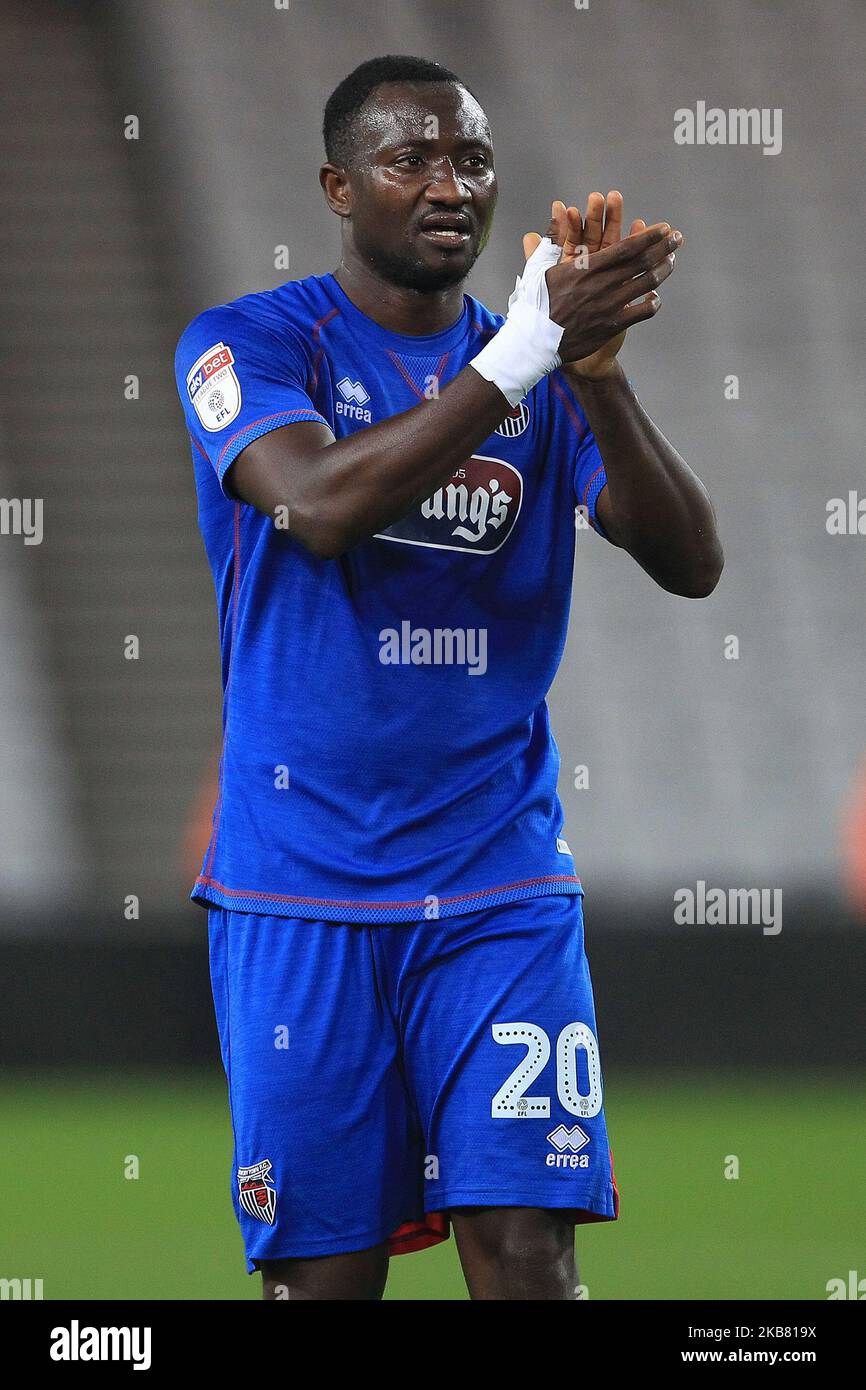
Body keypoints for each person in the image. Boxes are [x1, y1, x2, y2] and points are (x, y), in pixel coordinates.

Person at [174, 53, 723, 1301]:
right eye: (407, 157)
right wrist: (524, 357)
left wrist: (593, 374)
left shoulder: (533, 369)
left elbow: (690, 560)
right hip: (295, 888)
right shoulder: (247, 343)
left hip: (498, 887)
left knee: (529, 1259)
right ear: (336, 185)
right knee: (323, 1283)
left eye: (469, 158)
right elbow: (315, 505)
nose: (446, 182)